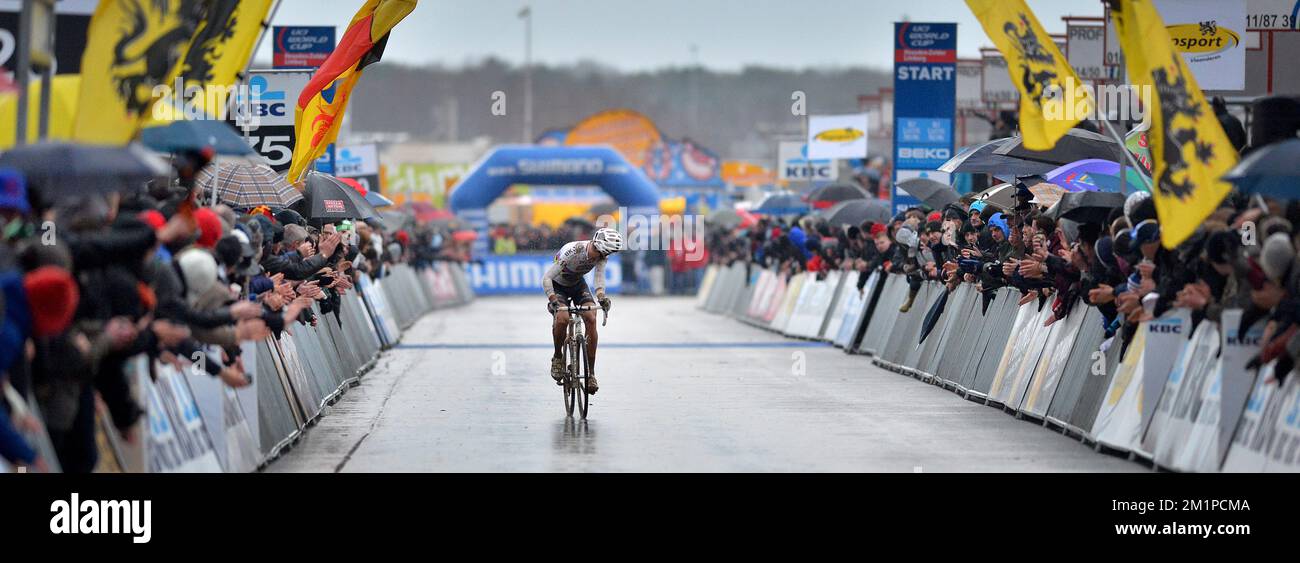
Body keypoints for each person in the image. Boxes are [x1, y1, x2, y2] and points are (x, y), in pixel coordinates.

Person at [541, 228, 624, 394]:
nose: (603, 257)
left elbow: (599, 279)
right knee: (563, 318)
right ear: (598, 246)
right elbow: (547, 278)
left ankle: (591, 374)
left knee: (591, 317)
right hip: (558, 286)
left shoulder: (601, 256)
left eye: (607, 254)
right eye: (603, 253)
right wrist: (553, 301)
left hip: (578, 285)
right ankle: (558, 356)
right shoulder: (574, 251)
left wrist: (601, 298)